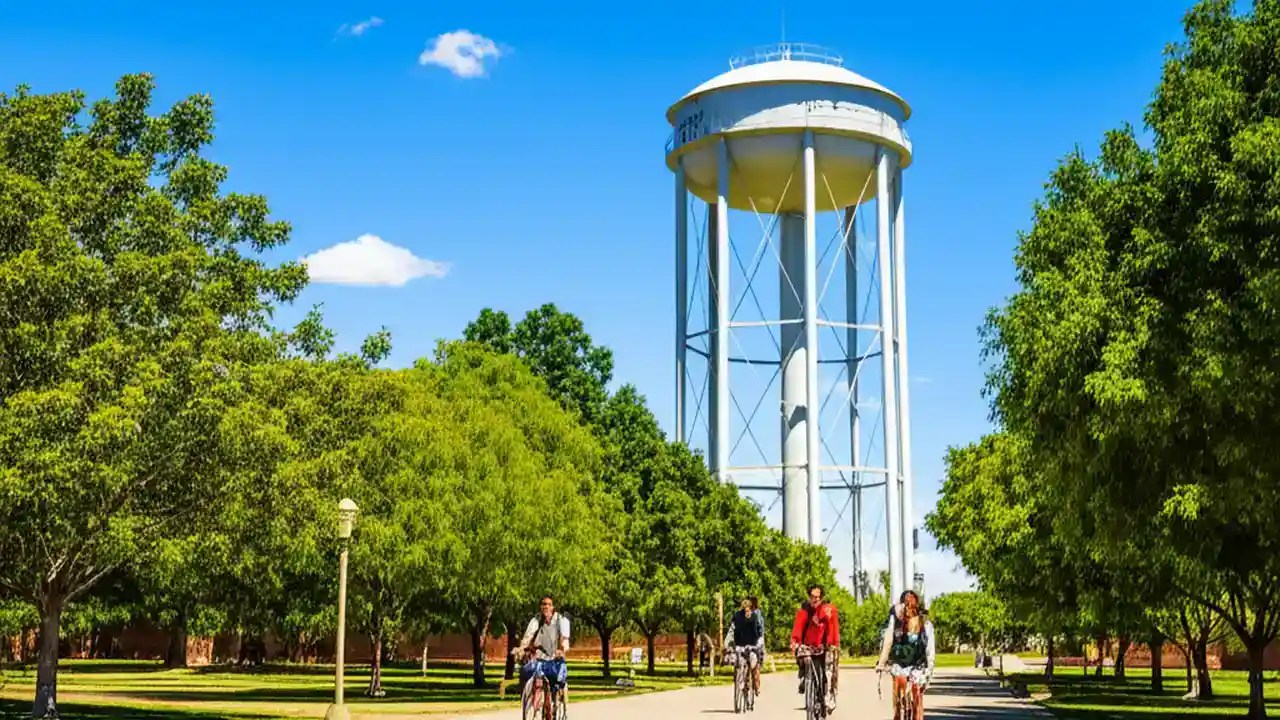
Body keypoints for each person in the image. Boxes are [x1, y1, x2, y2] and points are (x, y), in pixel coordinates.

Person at [875, 590, 935, 720]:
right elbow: (888, 640)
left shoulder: (925, 624)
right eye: (906, 603)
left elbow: (930, 649)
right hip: (901, 665)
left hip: (918, 666)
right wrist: (881, 663)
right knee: (901, 696)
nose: (908, 606)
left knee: (917, 697)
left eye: (911, 603)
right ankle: (900, 711)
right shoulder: (896, 621)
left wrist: (929, 670)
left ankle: (911, 713)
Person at [790, 584, 840, 713]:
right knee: (801, 657)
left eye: (817, 597)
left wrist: (832, 644)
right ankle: (803, 677)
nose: (815, 600)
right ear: (809, 597)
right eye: (812, 597)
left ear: (821, 598)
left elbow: (832, 628)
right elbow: (798, 627)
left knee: (827, 672)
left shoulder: (828, 610)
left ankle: (827, 695)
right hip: (808, 647)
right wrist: (795, 641)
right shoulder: (804, 610)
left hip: (823, 647)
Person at [517, 595, 570, 710]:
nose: (546, 606)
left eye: (549, 604)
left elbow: (564, 638)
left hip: (554, 658)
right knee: (526, 671)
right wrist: (521, 649)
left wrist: (562, 650)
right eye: (543, 604)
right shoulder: (536, 620)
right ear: (540, 607)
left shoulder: (561, 620)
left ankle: (558, 696)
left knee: (557, 679)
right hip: (539, 658)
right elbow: (528, 636)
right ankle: (529, 698)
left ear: (553, 607)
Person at [723, 597, 765, 695]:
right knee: (738, 661)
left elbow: (759, 632)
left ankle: (754, 684)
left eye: (749, 609)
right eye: (745, 609)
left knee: (754, 663)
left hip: (752, 645)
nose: (747, 611)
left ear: (751, 608)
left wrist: (759, 643)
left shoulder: (756, 617)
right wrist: (727, 644)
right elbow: (731, 631)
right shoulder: (737, 617)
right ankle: (739, 681)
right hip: (740, 645)